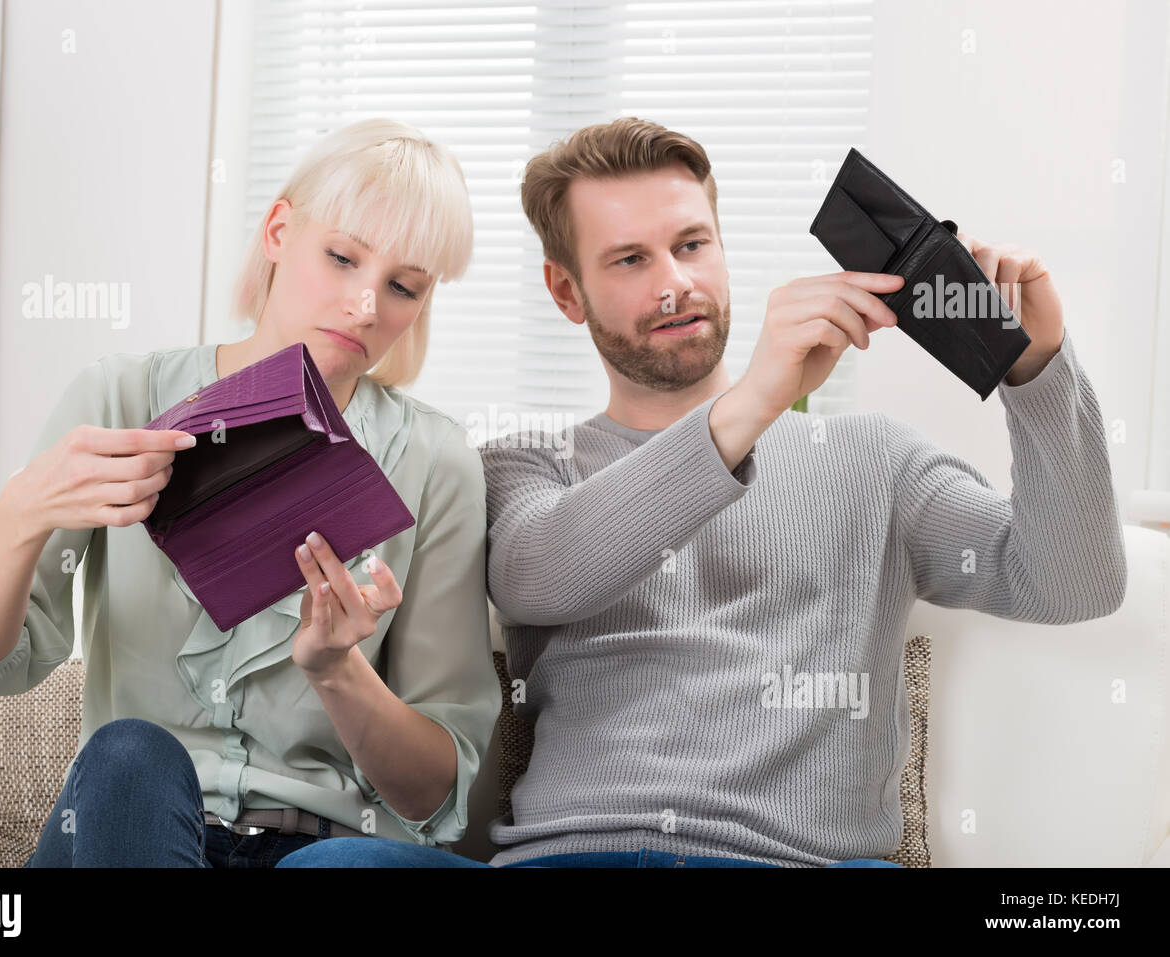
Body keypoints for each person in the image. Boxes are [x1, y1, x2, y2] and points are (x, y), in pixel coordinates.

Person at [278, 116, 1127, 868]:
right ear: (566, 291)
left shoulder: (876, 461)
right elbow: (541, 574)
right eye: (630, 259)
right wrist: (752, 401)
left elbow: (1073, 581)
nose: (674, 283)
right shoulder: (526, 462)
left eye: (691, 245)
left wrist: (1036, 371)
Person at [0, 118, 501, 867]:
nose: (364, 305)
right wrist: (20, 515)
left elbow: (436, 797)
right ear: (280, 230)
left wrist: (335, 669)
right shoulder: (120, 397)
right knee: (132, 755)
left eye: (403, 286)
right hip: (130, 825)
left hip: (319, 849)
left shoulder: (437, 462)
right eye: (342, 258)